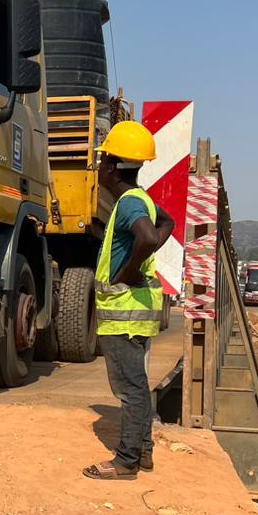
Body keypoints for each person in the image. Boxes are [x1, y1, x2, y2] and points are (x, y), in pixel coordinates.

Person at [82, 121, 173, 481]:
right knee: (136, 385)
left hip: (123, 315)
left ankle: (126, 462)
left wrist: (125, 272)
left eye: (103, 159)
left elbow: (149, 237)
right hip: (133, 314)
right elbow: (168, 221)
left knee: (130, 389)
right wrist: (131, 267)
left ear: (112, 166)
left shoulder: (129, 203)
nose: (99, 165)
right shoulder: (141, 199)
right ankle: (144, 453)